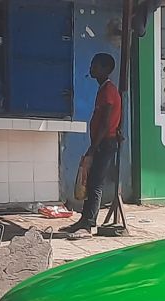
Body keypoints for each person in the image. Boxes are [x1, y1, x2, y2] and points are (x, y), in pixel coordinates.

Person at [63, 53, 121, 238]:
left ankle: (89, 224)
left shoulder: (109, 91)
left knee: (95, 183)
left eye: (95, 66)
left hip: (105, 143)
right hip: (101, 142)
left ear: (105, 69)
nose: (91, 69)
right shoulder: (103, 89)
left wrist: (93, 147)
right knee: (89, 182)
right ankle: (84, 219)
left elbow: (105, 123)